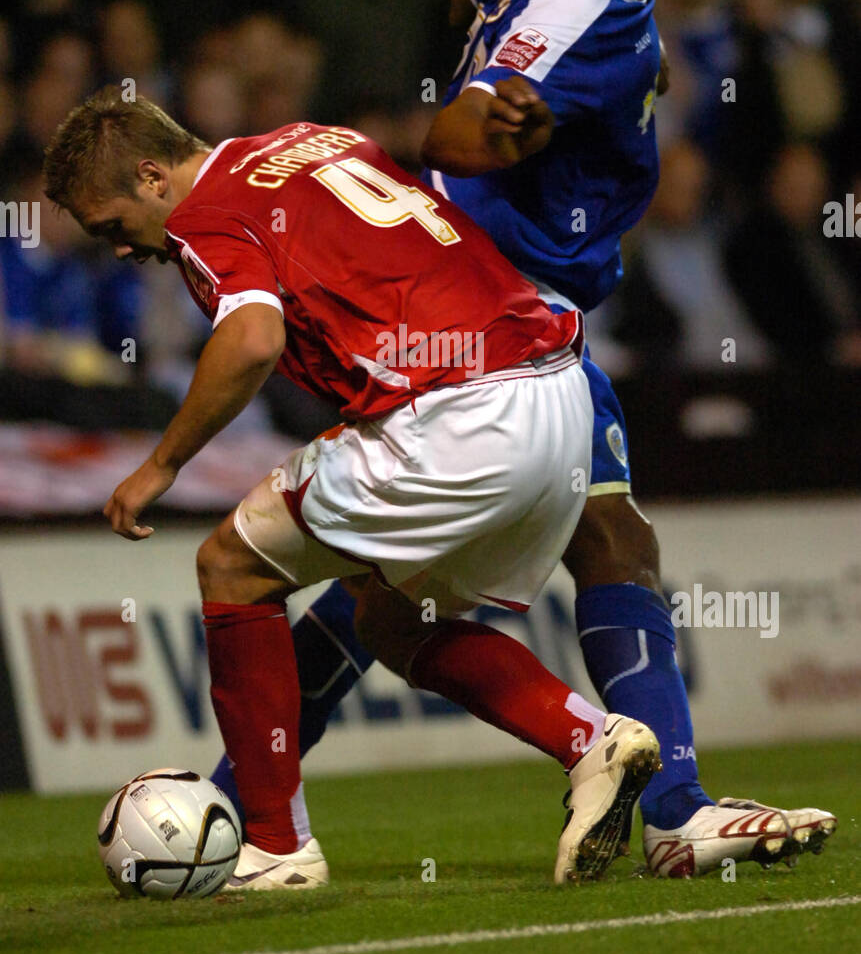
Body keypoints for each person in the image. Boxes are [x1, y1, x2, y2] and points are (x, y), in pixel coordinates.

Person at [246, 0, 835, 879]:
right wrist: (497, 125)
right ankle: (678, 809)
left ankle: (243, 802)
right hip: (496, 316)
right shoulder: (584, 11)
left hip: (491, 305)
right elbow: (455, 127)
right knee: (580, 554)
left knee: (414, 591)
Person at [43, 88, 664, 890]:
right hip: (553, 395)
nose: (123, 250)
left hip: (458, 411)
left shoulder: (205, 215)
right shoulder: (310, 137)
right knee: (393, 624)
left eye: (114, 228)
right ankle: (592, 744)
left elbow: (252, 339)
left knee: (230, 567)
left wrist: (161, 463)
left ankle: (274, 846)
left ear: (155, 178)